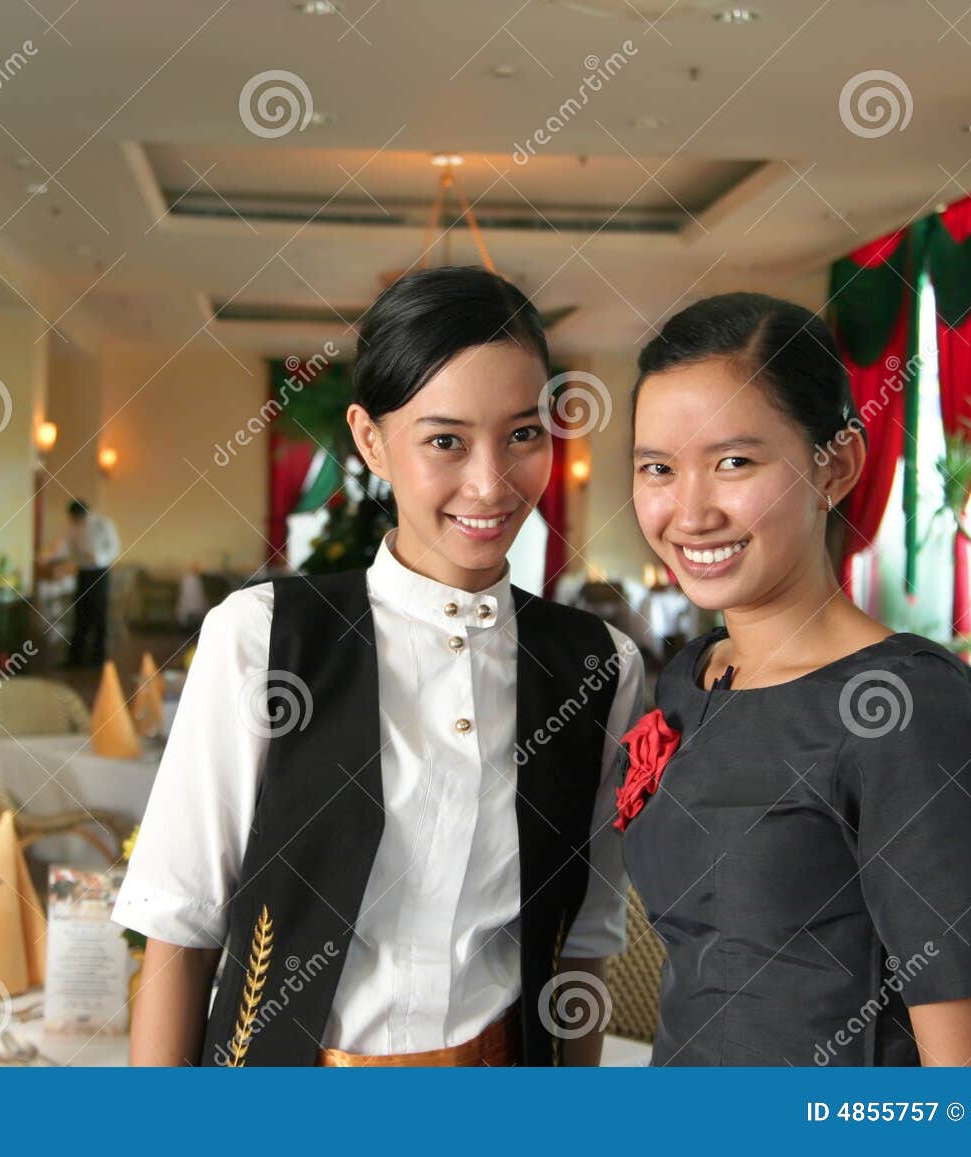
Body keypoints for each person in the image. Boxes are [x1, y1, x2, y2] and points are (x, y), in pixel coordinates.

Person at [114, 266, 644, 1067]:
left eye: (524, 434)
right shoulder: (263, 640)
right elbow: (180, 932)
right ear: (371, 440)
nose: (490, 482)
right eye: (445, 440)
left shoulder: (600, 666)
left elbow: (585, 942)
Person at [624, 292, 971, 1066]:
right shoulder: (693, 678)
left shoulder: (909, 709)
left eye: (733, 462)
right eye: (658, 468)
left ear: (836, 465)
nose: (690, 510)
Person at [46, 499, 120, 668]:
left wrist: (98, 556)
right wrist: (55, 561)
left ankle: (98, 659)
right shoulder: (73, 527)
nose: (76, 522)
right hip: (83, 572)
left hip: (100, 573)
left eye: (78, 519)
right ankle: (75, 659)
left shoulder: (103, 524)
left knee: (99, 615)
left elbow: (114, 548)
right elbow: (67, 548)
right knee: (80, 615)